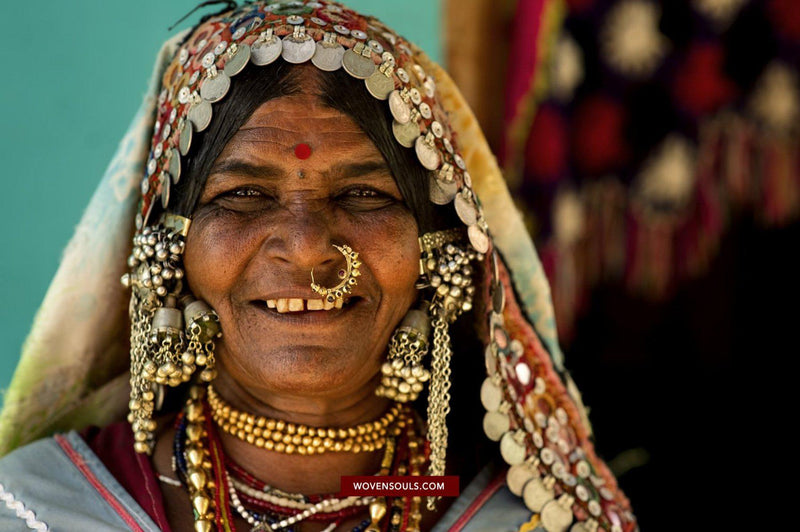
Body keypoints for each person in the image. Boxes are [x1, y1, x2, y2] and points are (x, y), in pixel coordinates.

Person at [0, 2, 637, 531]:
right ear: (168, 247)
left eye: (365, 196)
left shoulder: (528, 521)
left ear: (439, 246)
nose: (307, 248)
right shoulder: (40, 508)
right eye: (242, 196)